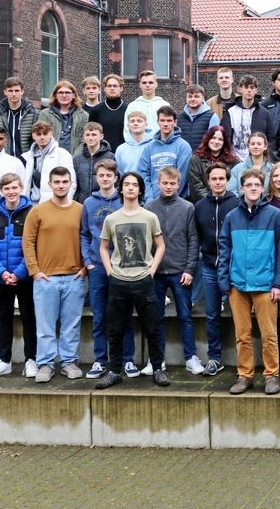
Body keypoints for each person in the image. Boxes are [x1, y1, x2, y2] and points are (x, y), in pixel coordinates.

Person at [93, 172, 171, 390]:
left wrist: (152, 270)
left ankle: (158, 368)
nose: (130, 188)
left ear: (140, 190)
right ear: (121, 189)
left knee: (152, 326)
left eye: (134, 185)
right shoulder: (112, 218)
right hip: (118, 280)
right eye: (126, 184)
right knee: (115, 328)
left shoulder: (149, 217)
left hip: (143, 280)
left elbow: (161, 245)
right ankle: (114, 370)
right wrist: (110, 271)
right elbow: (103, 247)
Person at [220, 168, 280, 395]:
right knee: (242, 334)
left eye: (256, 185)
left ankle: (271, 375)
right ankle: (244, 375)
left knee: (269, 334)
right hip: (237, 284)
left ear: (262, 188)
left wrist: (279, 283)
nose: (252, 188)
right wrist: (225, 282)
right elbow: (224, 250)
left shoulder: (275, 216)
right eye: (248, 185)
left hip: (265, 284)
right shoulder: (232, 217)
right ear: (241, 188)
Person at [20, 166, 85, 383]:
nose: (60, 185)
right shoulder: (38, 211)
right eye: (56, 182)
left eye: (64, 182)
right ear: (50, 184)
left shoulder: (79, 210)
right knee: (45, 326)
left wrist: (84, 268)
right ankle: (46, 363)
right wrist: (35, 271)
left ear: (70, 184)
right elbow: (27, 242)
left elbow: (88, 240)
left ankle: (68, 361)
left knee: (71, 324)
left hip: (74, 277)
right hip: (45, 279)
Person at [80, 160, 136, 380]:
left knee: (125, 314)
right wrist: (88, 261)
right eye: (101, 175)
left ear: (116, 178)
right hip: (97, 267)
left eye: (109, 175)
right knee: (99, 316)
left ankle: (128, 359)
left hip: (123, 267)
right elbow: (84, 233)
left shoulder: (124, 201)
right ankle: (101, 360)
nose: (105, 179)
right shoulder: (88, 203)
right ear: (97, 177)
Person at [0, 173, 37, 379]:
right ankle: (4, 361)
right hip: (0, 278)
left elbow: (34, 245)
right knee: (4, 318)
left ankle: (32, 360)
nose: (11, 192)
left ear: (21, 188)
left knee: (30, 317)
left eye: (14, 187)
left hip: (25, 276)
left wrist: (19, 273)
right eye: (7, 188)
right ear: (1, 191)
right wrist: (1, 272)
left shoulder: (32, 213)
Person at [146, 166, 203, 376]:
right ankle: (157, 361)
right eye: (165, 183)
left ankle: (190, 357)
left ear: (178, 184)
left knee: (186, 316)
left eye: (173, 183)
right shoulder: (149, 208)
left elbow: (193, 239)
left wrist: (189, 269)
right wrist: (149, 269)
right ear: (158, 183)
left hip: (181, 272)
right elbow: (146, 242)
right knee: (156, 317)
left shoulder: (188, 208)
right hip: (156, 273)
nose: (169, 187)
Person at [193, 162, 241, 377]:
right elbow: (196, 236)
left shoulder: (237, 204)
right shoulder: (200, 206)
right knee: (211, 314)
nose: (218, 182)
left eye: (222, 178)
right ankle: (214, 358)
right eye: (214, 178)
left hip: (234, 267)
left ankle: (244, 359)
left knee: (240, 315)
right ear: (208, 181)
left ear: (227, 180)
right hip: (210, 267)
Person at [138, 106, 192, 201]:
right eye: (162, 120)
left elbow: (182, 178)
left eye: (169, 120)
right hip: (152, 202)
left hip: (175, 202)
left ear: (175, 122)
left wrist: (171, 199)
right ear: (157, 122)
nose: (165, 124)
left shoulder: (183, 147)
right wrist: (149, 199)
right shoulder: (149, 148)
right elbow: (143, 175)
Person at [221, 74, 277, 162]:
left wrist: (267, 157)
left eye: (252, 87)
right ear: (240, 89)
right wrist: (230, 156)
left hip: (258, 159)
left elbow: (271, 138)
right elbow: (225, 137)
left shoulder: (264, 113)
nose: (249, 90)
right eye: (246, 87)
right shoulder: (230, 112)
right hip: (235, 160)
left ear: (256, 90)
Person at [23, 121, 76, 203]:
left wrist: (65, 203)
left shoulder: (62, 154)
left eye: (45, 133)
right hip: (32, 203)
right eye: (39, 134)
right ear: (33, 136)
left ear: (51, 134)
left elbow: (71, 182)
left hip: (54, 203)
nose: (42, 137)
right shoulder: (28, 156)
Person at [0, 76, 37, 160]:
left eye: (17, 91)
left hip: (26, 160)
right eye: (10, 91)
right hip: (4, 160)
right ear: (5, 92)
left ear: (22, 91)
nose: (13, 94)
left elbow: (36, 138)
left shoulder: (32, 113)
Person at [187, 125, 239, 203]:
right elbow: (196, 186)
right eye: (213, 138)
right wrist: (212, 200)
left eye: (220, 139)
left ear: (224, 142)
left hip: (227, 203)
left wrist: (225, 200)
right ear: (208, 139)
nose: (216, 142)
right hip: (204, 204)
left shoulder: (233, 161)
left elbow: (235, 184)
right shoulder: (196, 160)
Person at [36, 80, 88, 155]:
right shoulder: (45, 114)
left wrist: (75, 157)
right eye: (60, 93)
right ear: (55, 95)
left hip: (75, 158)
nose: (64, 95)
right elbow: (40, 136)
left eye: (67, 92)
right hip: (50, 156)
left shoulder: (83, 115)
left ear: (73, 95)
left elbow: (84, 140)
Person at [123, 70, 170, 144]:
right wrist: (133, 145)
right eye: (144, 83)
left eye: (150, 82)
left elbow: (170, 127)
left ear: (156, 84)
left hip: (160, 145)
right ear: (140, 85)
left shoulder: (164, 105)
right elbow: (127, 129)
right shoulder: (132, 106)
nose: (147, 85)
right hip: (138, 146)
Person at [73, 122, 115, 202]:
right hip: (82, 202)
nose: (90, 138)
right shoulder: (77, 159)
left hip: (103, 201)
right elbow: (75, 184)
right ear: (83, 137)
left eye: (94, 135)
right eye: (87, 135)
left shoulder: (110, 157)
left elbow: (115, 182)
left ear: (101, 136)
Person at [89, 74, 128, 151]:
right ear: (104, 89)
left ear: (121, 88)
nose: (112, 88)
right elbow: (91, 133)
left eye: (115, 86)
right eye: (109, 86)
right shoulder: (96, 110)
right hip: (102, 153)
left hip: (124, 152)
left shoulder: (128, 109)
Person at [177, 83, 221, 152]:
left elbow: (215, 142)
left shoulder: (212, 117)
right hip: (183, 159)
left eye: (196, 96)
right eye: (190, 96)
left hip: (203, 159)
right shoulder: (179, 118)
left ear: (203, 97)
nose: (193, 99)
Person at [114, 111, 151, 175]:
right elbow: (120, 172)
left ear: (146, 125)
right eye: (132, 121)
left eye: (139, 121)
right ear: (128, 126)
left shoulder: (153, 146)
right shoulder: (121, 149)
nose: (136, 123)